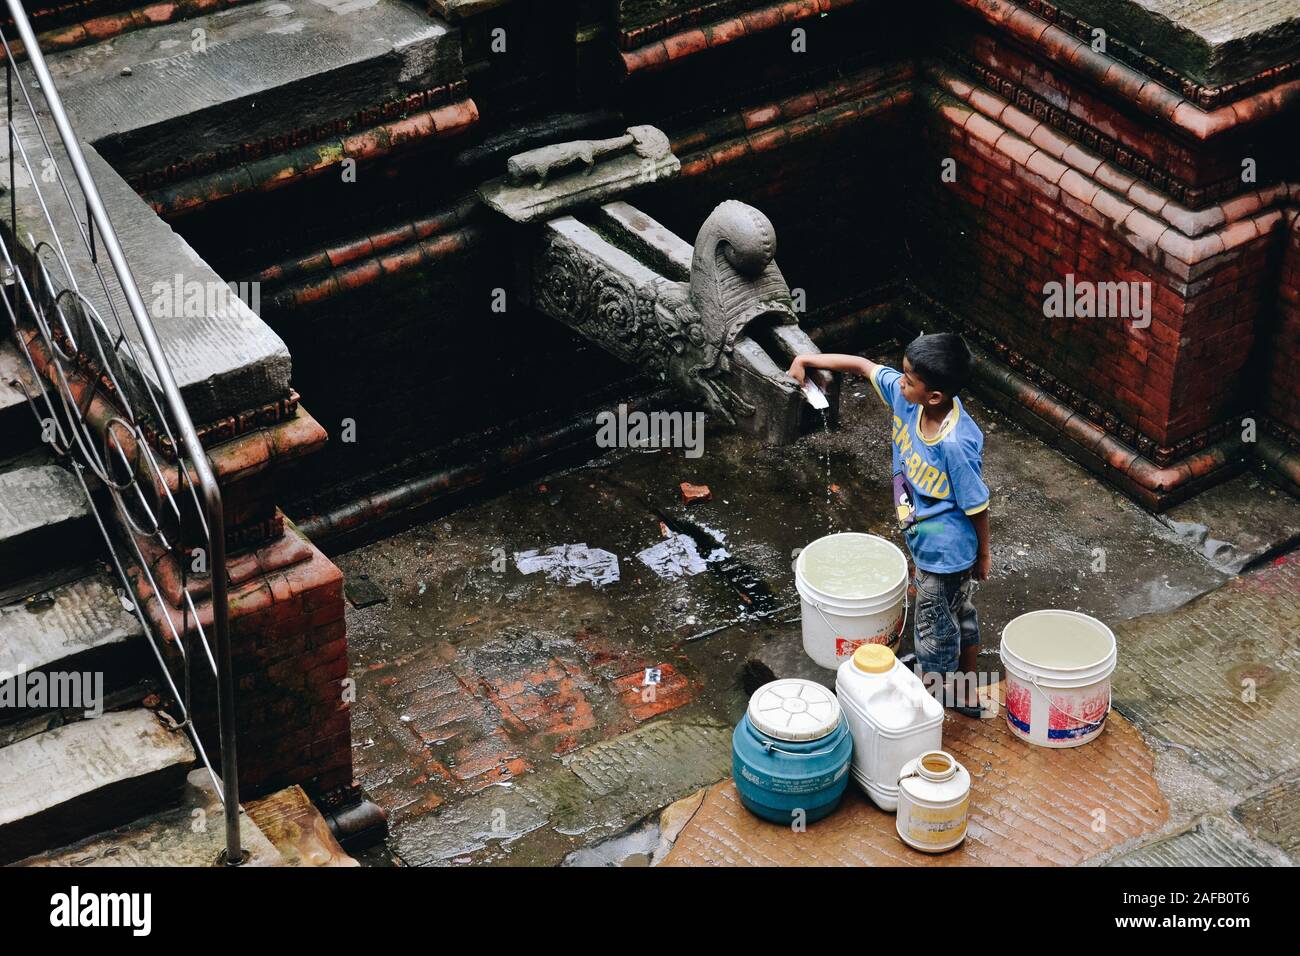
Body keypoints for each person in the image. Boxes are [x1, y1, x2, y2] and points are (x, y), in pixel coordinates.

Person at [788, 333, 991, 715]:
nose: (900, 380)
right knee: (958, 612)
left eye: (909, 378)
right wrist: (806, 360)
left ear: (934, 395)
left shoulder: (954, 445)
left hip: (945, 554)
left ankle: (932, 702)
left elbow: (977, 506)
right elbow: (863, 366)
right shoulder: (907, 398)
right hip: (925, 539)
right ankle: (965, 689)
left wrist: (983, 554)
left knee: (933, 632)